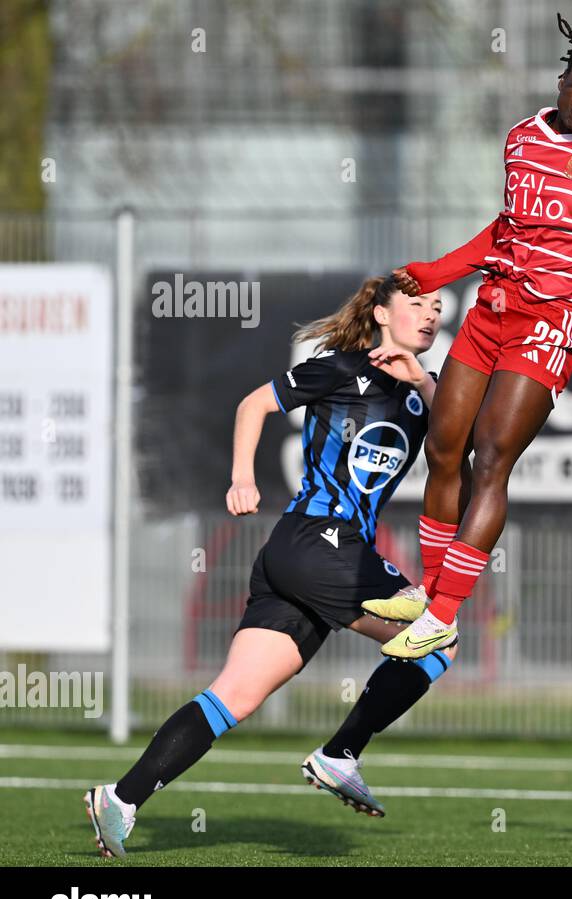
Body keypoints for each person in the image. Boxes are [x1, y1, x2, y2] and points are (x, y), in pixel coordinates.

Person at [360, 14, 572, 668]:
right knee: (442, 444)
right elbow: (502, 231)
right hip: (490, 311)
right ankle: (431, 593)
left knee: (490, 455)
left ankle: (445, 617)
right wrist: (436, 272)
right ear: (563, 78)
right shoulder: (522, 136)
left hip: (551, 320)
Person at [84, 276, 446, 858]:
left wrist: (423, 381)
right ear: (380, 312)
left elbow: (465, 438)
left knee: (234, 698)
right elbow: (254, 403)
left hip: (304, 556)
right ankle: (341, 752)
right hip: (319, 542)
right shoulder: (340, 369)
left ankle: (119, 800)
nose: (429, 315)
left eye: (437, 307)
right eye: (416, 304)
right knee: (436, 640)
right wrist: (242, 476)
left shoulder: (425, 392)